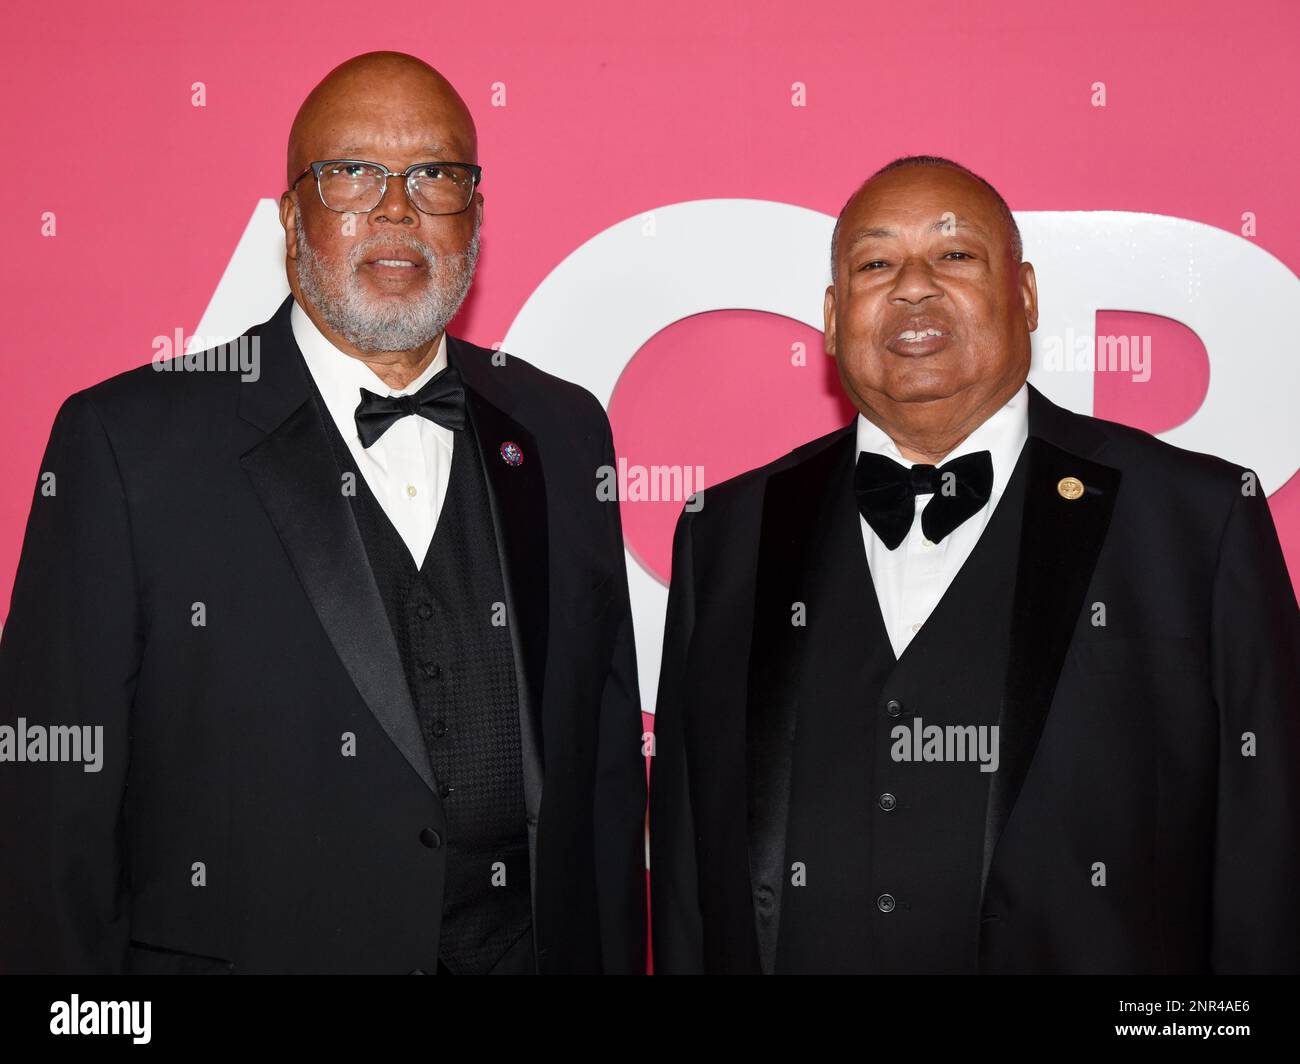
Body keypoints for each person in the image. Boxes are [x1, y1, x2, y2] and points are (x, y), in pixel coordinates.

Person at [0, 51, 646, 975]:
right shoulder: (126, 443)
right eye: (350, 174)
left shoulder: (564, 428)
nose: (396, 208)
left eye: (435, 176)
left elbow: (606, 777)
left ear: (476, 217)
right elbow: (48, 814)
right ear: (291, 218)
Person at [649, 155, 1300, 974]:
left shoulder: (1194, 519)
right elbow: (683, 868)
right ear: (831, 314)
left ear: (1024, 296)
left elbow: (1268, 854)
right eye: (875, 263)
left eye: (955, 256)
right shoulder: (728, 532)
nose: (912, 286)